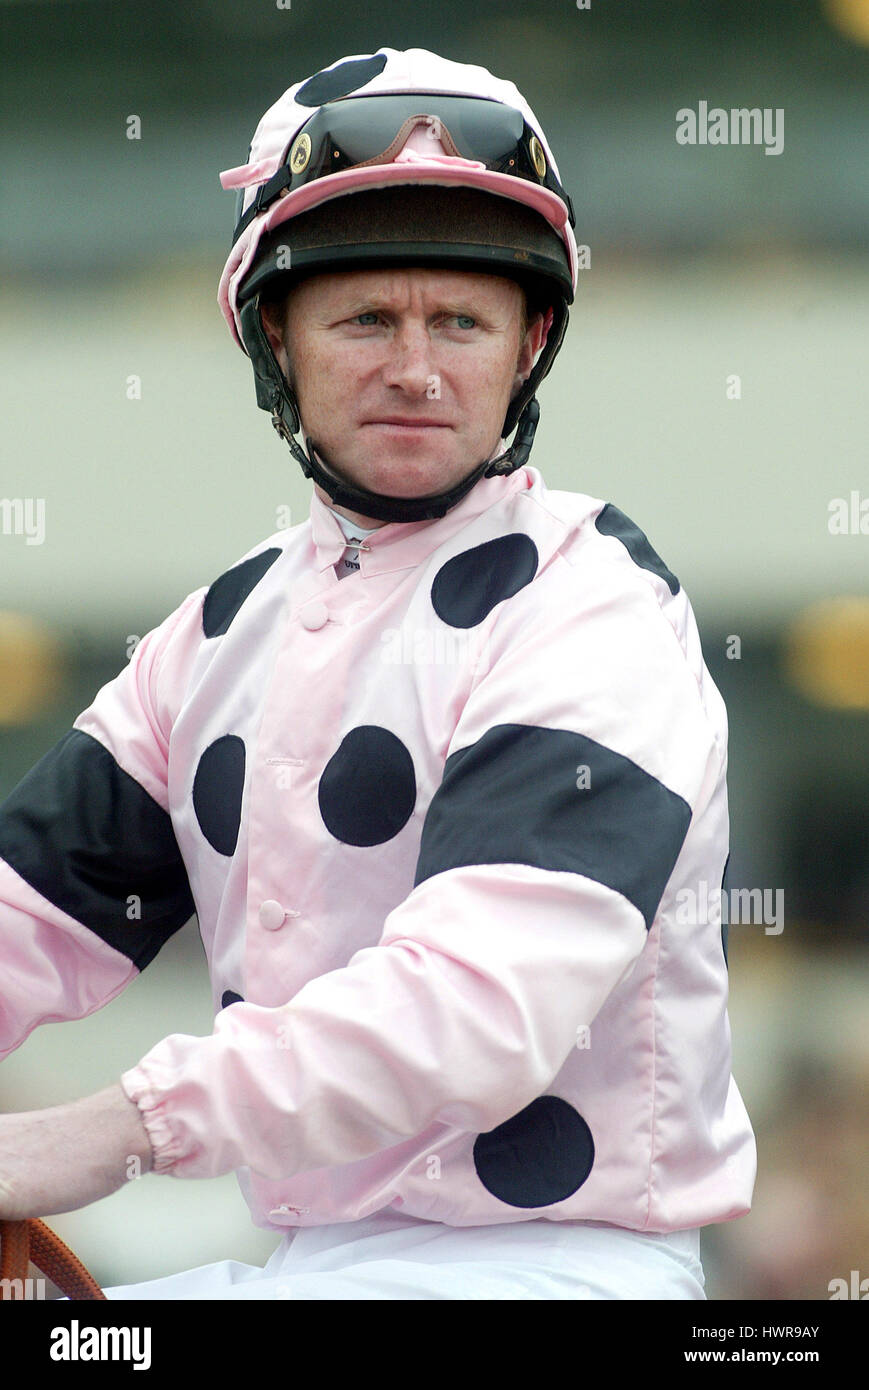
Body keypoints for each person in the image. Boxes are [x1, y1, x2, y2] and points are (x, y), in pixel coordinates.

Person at [0, 47, 756, 1301]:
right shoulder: (216, 631)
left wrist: (108, 1129)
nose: (416, 367)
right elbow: (26, 915)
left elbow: (472, 1014)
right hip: (310, 1266)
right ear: (273, 341)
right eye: (364, 319)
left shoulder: (595, 604)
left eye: (459, 319)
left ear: (528, 345)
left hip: (559, 1271)